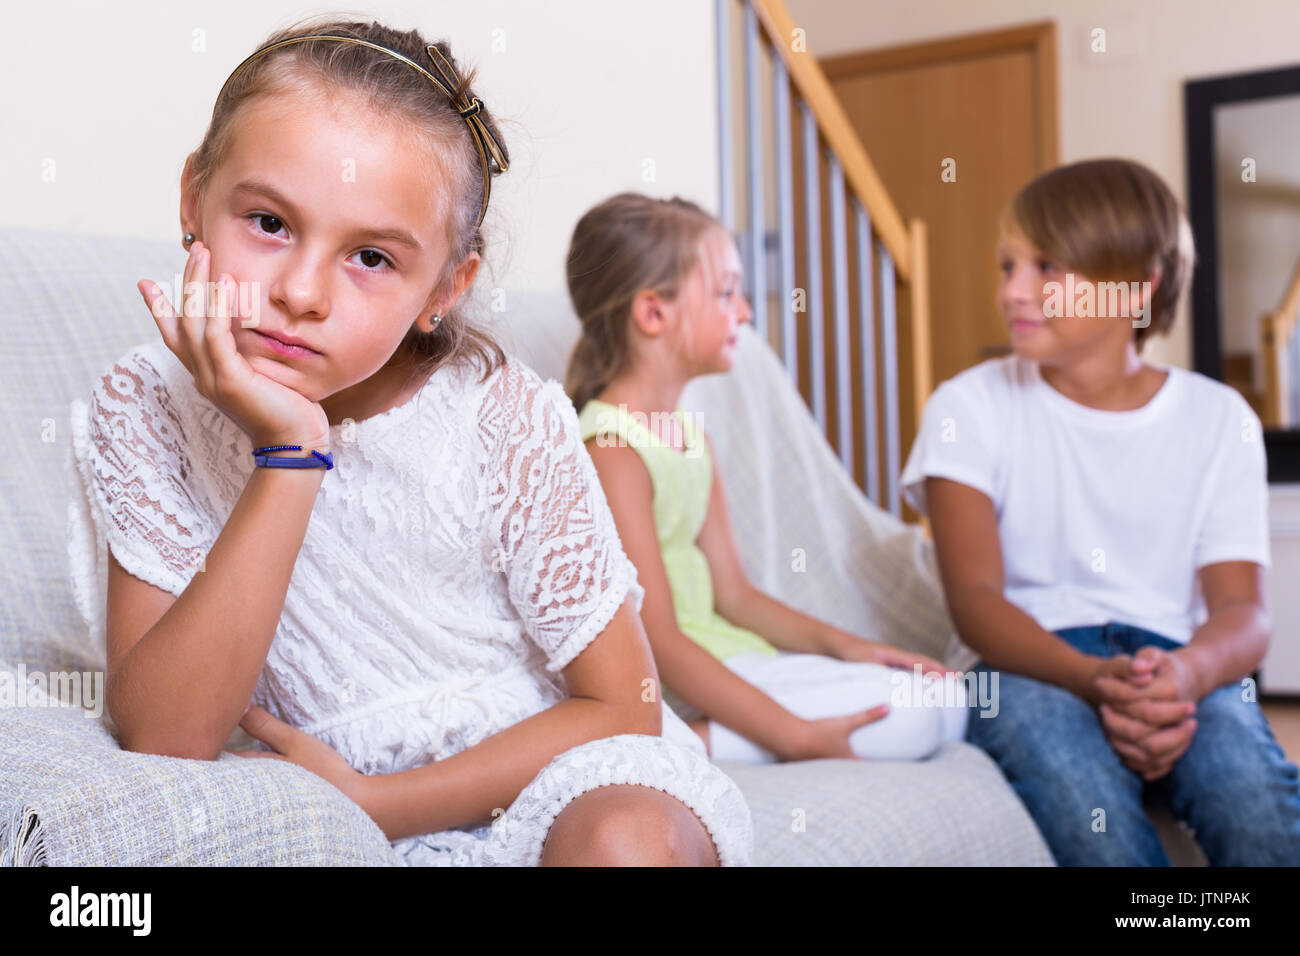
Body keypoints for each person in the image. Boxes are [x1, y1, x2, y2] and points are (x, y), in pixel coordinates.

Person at [66, 17, 753, 867]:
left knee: (627, 841)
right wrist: (289, 455)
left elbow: (624, 706)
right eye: (270, 223)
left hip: (548, 781)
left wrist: (381, 804)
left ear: (445, 287)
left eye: (372, 258)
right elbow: (166, 737)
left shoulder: (503, 419)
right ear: (192, 200)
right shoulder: (145, 405)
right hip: (318, 813)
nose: (303, 292)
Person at [900, 157, 1300, 865]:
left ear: (1136, 287)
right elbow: (976, 603)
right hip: (1018, 666)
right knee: (1095, 820)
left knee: (1256, 802)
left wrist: (1185, 677)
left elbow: (1245, 614)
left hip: (1169, 664)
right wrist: (1090, 681)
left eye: (1047, 267)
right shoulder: (967, 407)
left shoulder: (1219, 419)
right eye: (1007, 265)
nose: (1013, 291)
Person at [564, 192, 968, 765]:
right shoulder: (611, 448)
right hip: (684, 687)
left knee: (949, 698)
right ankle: (679, 746)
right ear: (654, 313)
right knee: (918, 715)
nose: (746, 313)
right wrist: (794, 736)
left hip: (740, 661)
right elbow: (656, 641)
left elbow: (737, 595)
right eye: (727, 293)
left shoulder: (688, 436)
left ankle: (717, 737)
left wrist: (855, 649)